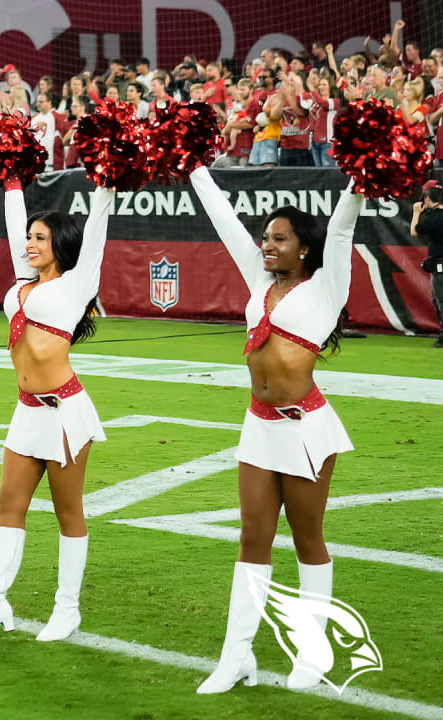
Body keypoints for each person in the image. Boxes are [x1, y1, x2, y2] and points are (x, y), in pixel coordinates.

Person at [190, 165, 361, 693]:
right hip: (258, 428)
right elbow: (225, 223)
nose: (267, 245)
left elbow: (340, 230)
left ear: (302, 248)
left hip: (306, 428)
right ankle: (235, 656)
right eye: (265, 238)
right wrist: (195, 169)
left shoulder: (326, 286)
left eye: (279, 239)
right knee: (252, 539)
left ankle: (313, 653)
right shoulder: (258, 282)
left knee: (308, 539)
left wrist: (360, 180)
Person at [0, 176, 112, 644]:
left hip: (64, 411)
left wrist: (106, 186)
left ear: (61, 244)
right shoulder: (23, 285)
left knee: (68, 512)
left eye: (40, 238)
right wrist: (12, 181)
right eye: (29, 236)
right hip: (26, 412)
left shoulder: (77, 283)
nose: (29, 243)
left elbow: (99, 229)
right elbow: (12, 225)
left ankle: (67, 610)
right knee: (9, 507)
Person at [413, 180, 443, 347]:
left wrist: (416, 212)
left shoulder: (435, 218)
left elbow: (414, 231)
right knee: (437, 298)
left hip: (441, 262)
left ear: (427, 198)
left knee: (441, 300)